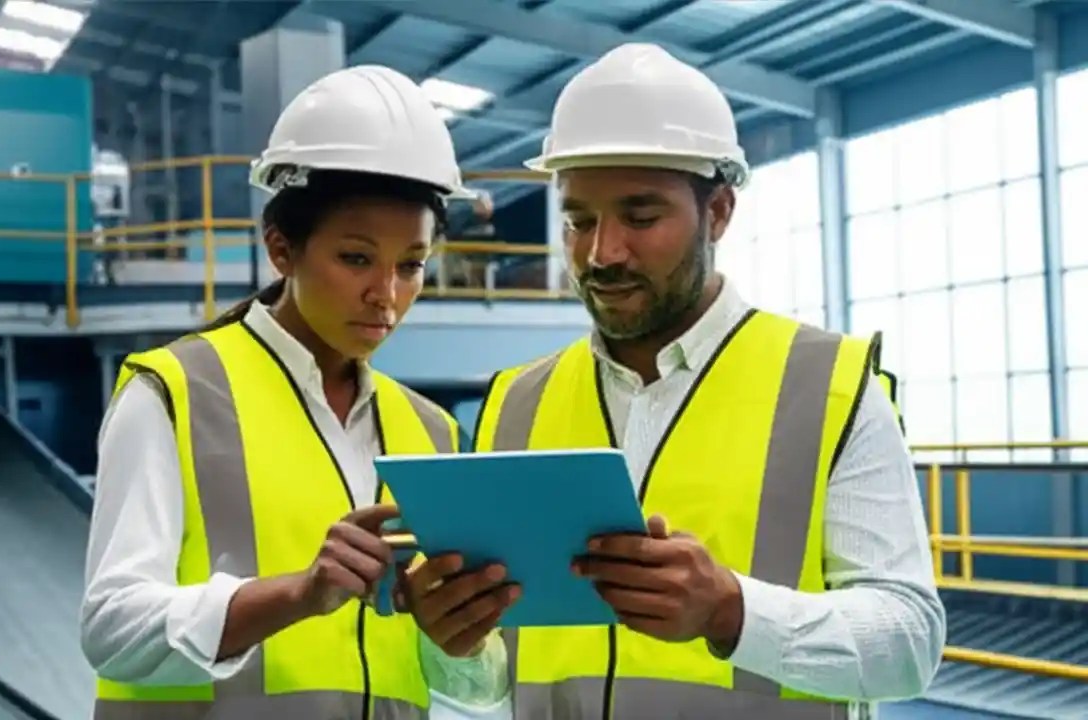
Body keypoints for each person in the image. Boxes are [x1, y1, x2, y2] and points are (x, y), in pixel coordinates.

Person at [404, 43, 946, 719]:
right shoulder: (517, 402)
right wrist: (453, 642)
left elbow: (909, 644)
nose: (602, 252)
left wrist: (732, 611)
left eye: (640, 218)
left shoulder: (827, 386)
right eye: (578, 221)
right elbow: (491, 685)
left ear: (718, 212)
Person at [80, 65, 505, 720]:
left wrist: (461, 638)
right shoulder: (174, 393)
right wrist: (296, 594)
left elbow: (473, 687)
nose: (387, 295)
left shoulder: (430, 430)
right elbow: (111, 629)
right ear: (282, 249)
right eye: (357, 259)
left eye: (412, 265)